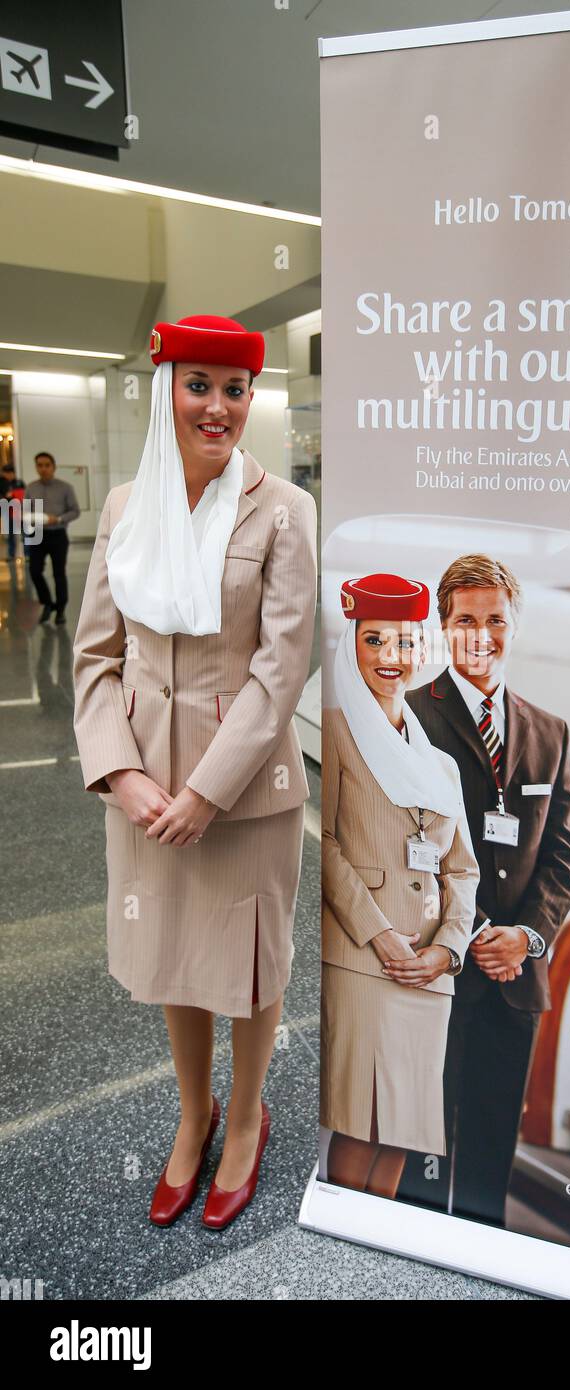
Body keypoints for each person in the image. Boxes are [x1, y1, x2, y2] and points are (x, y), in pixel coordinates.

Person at [72, 314, 317, 1229]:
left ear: (252, 399)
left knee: (250, 967)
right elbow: (97, 656)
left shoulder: (285, 509)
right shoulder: (128, 507)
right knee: (174, 961)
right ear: (167, 389)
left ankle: (246, 1117)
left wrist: (206, 790)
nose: (217, 406)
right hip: (143, 790)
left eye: (235, 388)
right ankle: (193, 1113)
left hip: (243, 791)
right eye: (199, 384)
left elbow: (282, 666)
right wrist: (120, 775)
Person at [398, 554, 570, 1227]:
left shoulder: (549, 731)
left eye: (496, 619)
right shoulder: (409, 718)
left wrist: (526, 938)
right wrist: (475, 936)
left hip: (515, 980)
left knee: (489, 1155)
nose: (482, 633)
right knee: (421, 1151)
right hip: (437, 972)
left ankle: (479, 1252)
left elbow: (564, 856)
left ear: (515, 625)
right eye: (466, 619)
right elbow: (408, 849)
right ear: (443, 627)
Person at [320, 573, 479, 1199]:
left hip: (429, 969)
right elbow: (325, 847)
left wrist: (451, 948)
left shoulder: (439, 762)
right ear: (350, 646)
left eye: (407, 643)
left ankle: (374, 1241)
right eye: (375, 640)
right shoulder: (336, 732)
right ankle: (337, 1253)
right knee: (357, 1127)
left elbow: (460, 867)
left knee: (405, 1132)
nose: (393, 657)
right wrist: (379, 933)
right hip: (365, 958)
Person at [25, 452, 80, 624]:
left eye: (47, 465)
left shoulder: (65, 488)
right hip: (37, 534)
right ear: (36, 467)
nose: (43, 469)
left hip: (57, 534)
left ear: (53, 467)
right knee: (34, 571)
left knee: (59, 573)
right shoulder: (31, 487)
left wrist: (58, 519)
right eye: (39, 465)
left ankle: (61, 609)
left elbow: (75, 511)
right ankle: (47, 603)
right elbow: (26, 512)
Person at [0, 460, 25, 565]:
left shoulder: (19, 483)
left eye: (10, 473)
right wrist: (8, 497)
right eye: (6, 473)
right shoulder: (1, 483)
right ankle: (11, 555)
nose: (8, 475)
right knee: (11, 534)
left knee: (25, 534)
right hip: (7, 512)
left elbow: (24, 496)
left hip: (20, 511)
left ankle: (27, 554)